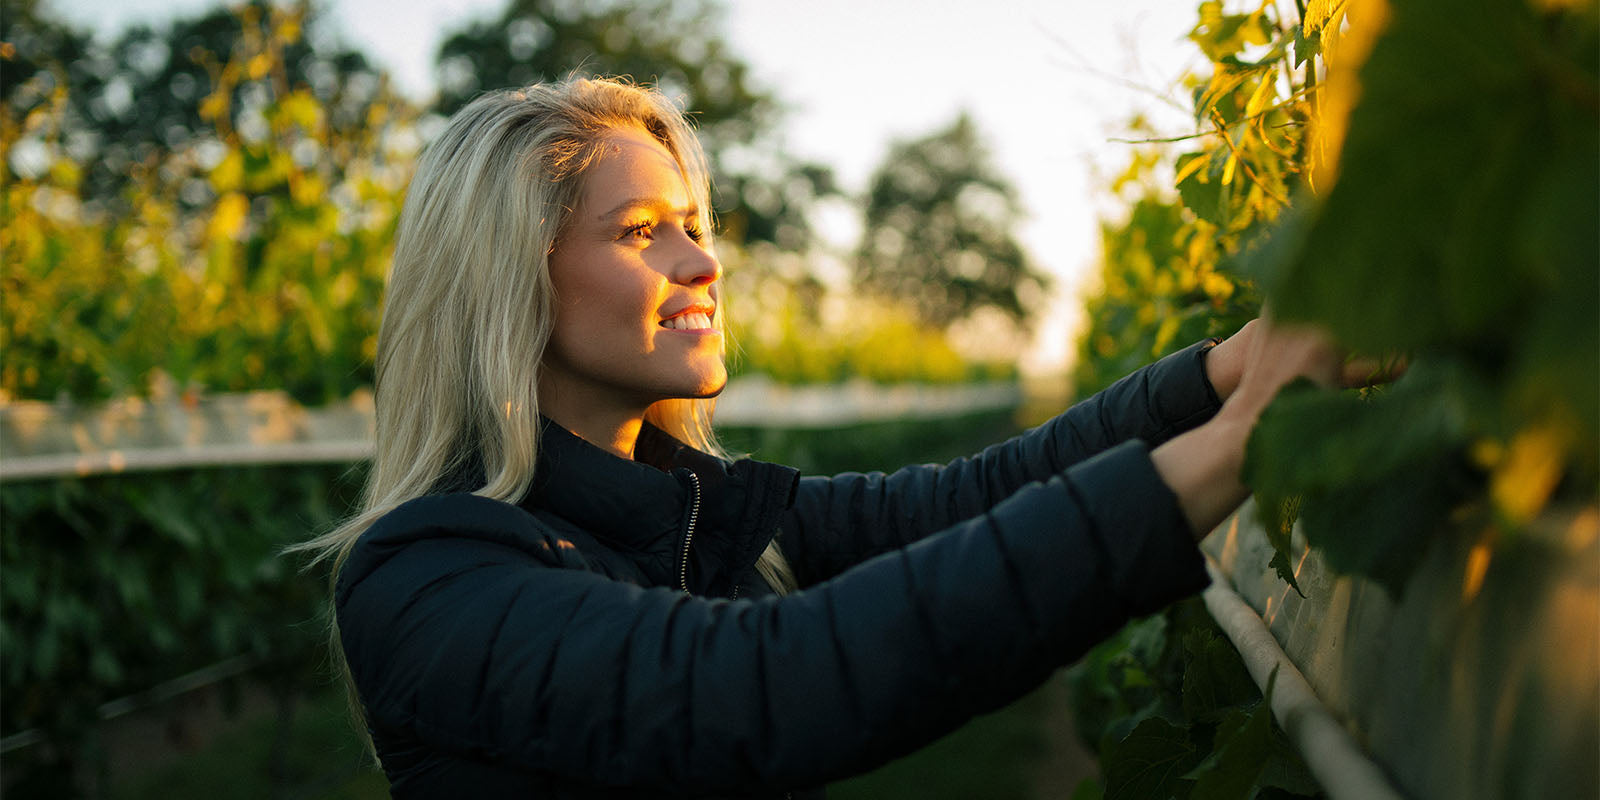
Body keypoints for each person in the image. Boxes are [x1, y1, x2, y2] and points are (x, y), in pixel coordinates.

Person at [293, 76, 1362, 799]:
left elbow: (969, 501)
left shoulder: (693, 512)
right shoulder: (428, 577)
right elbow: (765, 690)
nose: (702, 263)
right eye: (640, 231)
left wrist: (1225, 370)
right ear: (506, 282)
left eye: (695, 226)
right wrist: (1246, 438)